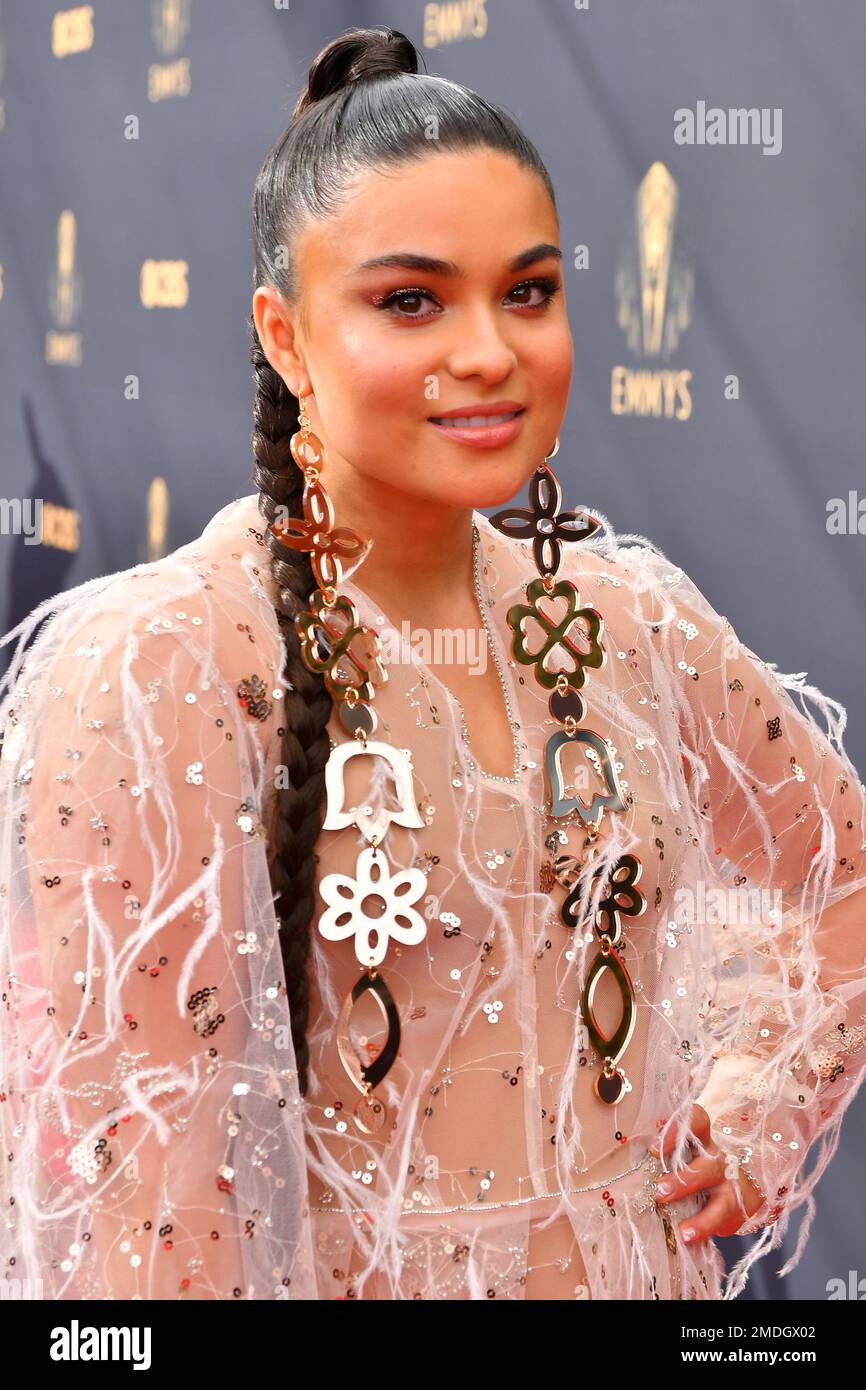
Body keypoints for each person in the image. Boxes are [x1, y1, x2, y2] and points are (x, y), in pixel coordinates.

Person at [1, 25, 864, 1303]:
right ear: (284, 339)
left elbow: (842, 877)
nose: (489, 353)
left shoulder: (633, 621)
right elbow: (157, 1222)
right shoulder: (162, 664)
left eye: (525, 291)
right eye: (410, 300)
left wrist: (756, 1099)